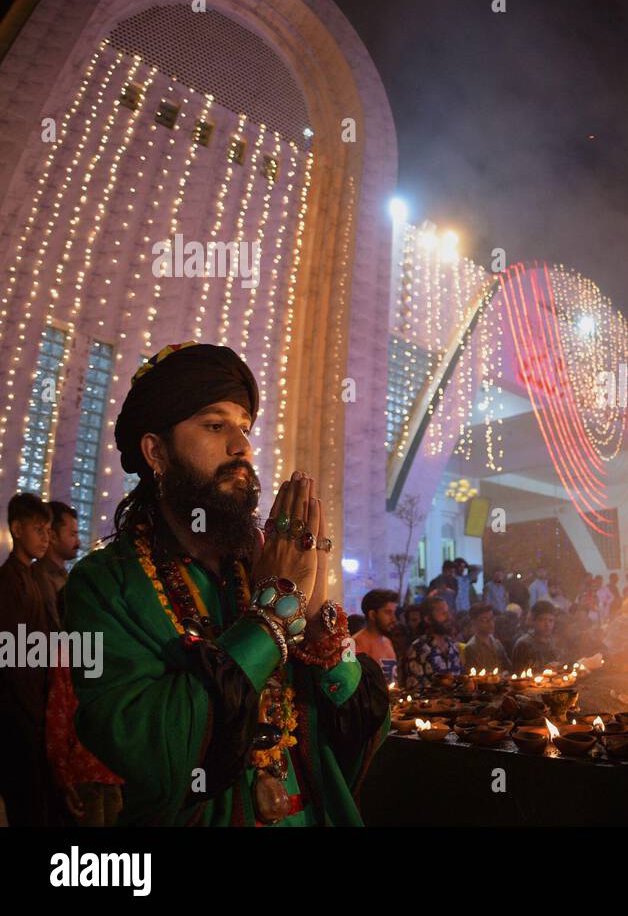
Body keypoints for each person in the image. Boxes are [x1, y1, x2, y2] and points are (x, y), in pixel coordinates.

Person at [63, 341, 389, 825]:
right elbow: (150, 751)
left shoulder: (257, 563)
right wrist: (269, 618)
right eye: (215, 426)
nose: (241, 447)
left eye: (244, 427)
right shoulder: (104, 585)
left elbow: (356, 723)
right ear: (156, 451)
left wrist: (320, 627)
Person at [0, 492, 56, 826]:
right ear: (17, 529)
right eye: (39, 529)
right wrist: (35, 710)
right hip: (17, 712)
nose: (45, 537)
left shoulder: (32, 578)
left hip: (33, 706)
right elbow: (12, 654)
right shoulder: (8, 581)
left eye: (49, 530)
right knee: (27, 805)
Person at [46, 660, 124, 826]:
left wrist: (61, 774)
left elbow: (57, 717)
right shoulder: (122, 651)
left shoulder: (67, 654)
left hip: (86, 767)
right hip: (108, 765)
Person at [401, 596, 462, 688]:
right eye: (443, 613)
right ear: (428, 619)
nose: (449, 617)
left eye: (448, 612)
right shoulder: (418, 649)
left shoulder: (452, 645)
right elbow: (414, 690)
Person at [36, 500, 79, 626]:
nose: (78, 542)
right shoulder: (41, 576)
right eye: (73, 534)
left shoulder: (63, 574)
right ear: (53, 537)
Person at [354, 588, 399, 684]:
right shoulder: (356, 643)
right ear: (372, 615)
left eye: (394, 612)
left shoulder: (387, 642)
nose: (394, 619)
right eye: (388, 612)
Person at [511, 600, 561, 671]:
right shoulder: (524, 644)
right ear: (533, 621)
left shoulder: (552, 641)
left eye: (551, 620)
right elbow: (518, 674)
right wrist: (545, 669)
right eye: (542, 620)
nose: (547, 625)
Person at [462, 603, 511, 672]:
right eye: (485, 620)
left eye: (492, 619)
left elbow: (508, 667)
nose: (491, 623)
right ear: (474, 623)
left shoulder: (496, 643)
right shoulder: (471, 648)